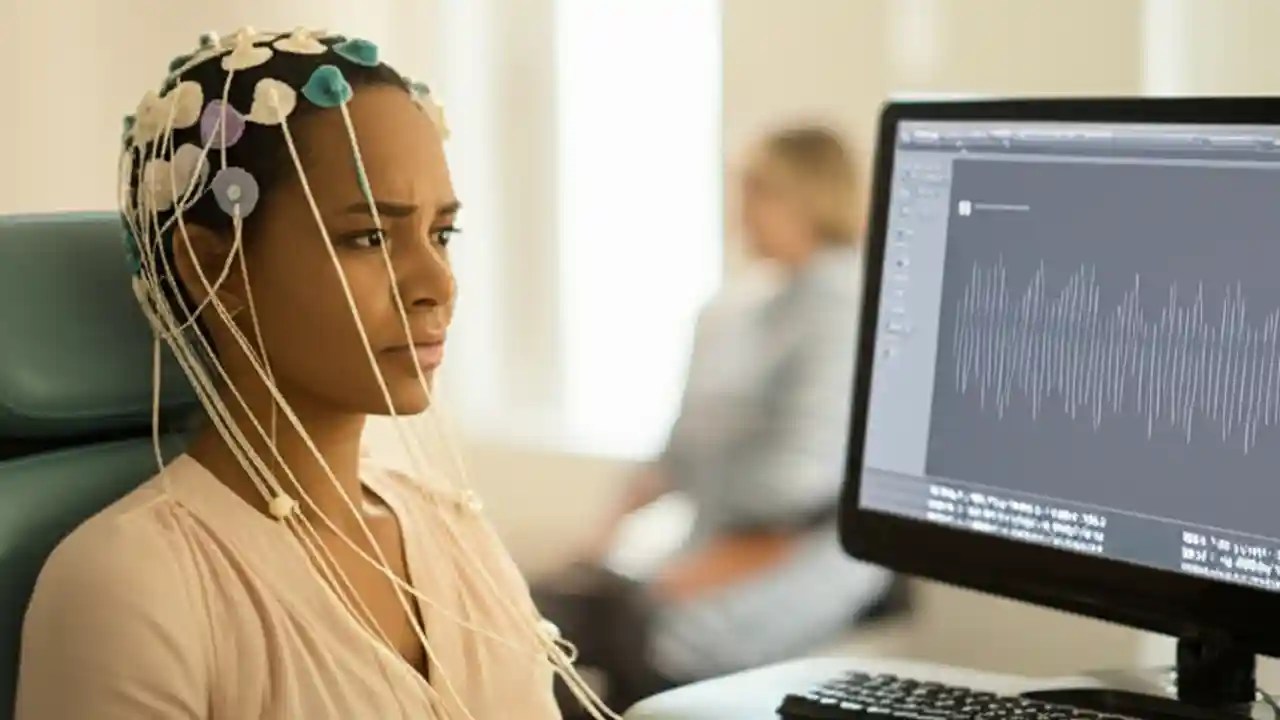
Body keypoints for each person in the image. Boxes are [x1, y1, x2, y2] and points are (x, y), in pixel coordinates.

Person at [15, 28, 615, 720]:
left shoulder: (453, 529)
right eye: (369, 237)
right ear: (214, 267)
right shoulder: (133, 585)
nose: (437, 284)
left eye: (441, 234)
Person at [536, 126, 897, 715]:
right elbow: (678, 453)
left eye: (759, 193)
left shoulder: (847, 307)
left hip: (800, 559)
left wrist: (674, 583)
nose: (742, 212)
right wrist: (596, 542)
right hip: (709, 547)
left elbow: (800, 496)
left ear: (809, 197)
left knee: (607, 636)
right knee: (544, 611)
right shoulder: (735, 310)